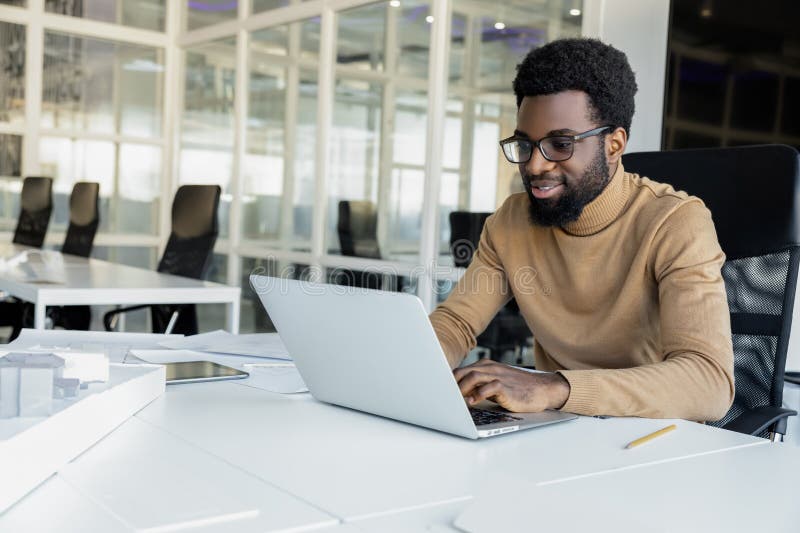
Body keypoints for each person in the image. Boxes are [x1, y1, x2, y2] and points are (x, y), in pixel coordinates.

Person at [429, 38, 734, 422]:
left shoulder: (675, 223)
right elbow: (457, 323)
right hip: (556, 427)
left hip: (650, 436)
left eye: (560, 144)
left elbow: (709, 383)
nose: (535, 166)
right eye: (526, 145)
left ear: (614, 144)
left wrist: (553, 387)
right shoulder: (511, 221)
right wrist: (413, 367)